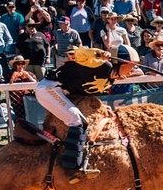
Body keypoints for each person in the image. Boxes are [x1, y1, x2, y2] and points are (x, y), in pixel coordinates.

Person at [33, 45, 114, 178]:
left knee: (79, 121)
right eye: (70, 54)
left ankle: (70, 160)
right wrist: (99, 53)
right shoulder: (80, 65)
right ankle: (71, 167)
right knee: (77, 121)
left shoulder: (87, 70)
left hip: (54, 90)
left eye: (73, 54)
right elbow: (81, 52)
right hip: (49, 89)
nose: (72, 56)